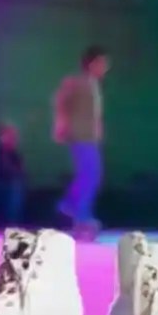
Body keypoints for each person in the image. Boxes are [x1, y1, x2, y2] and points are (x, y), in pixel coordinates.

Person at [53, 45, 109, 239]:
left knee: (90, 174)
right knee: (90, 175)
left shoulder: (94, 85)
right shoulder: (76, 81)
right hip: (79, 134)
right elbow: (61, 101)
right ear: (92, 63)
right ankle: (82, 217)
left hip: (90, 136)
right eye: (103, 63)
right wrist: (61, 125)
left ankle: (69, 205)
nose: (105, 67)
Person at [0, 122, 26, 226]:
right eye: (9, 136)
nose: (13, 139)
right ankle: (8, 222)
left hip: (11, 184)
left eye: (13, 137)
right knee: (15, 187)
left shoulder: (15, 155)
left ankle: (12, 222)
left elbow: (21, 172)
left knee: (17, 186)